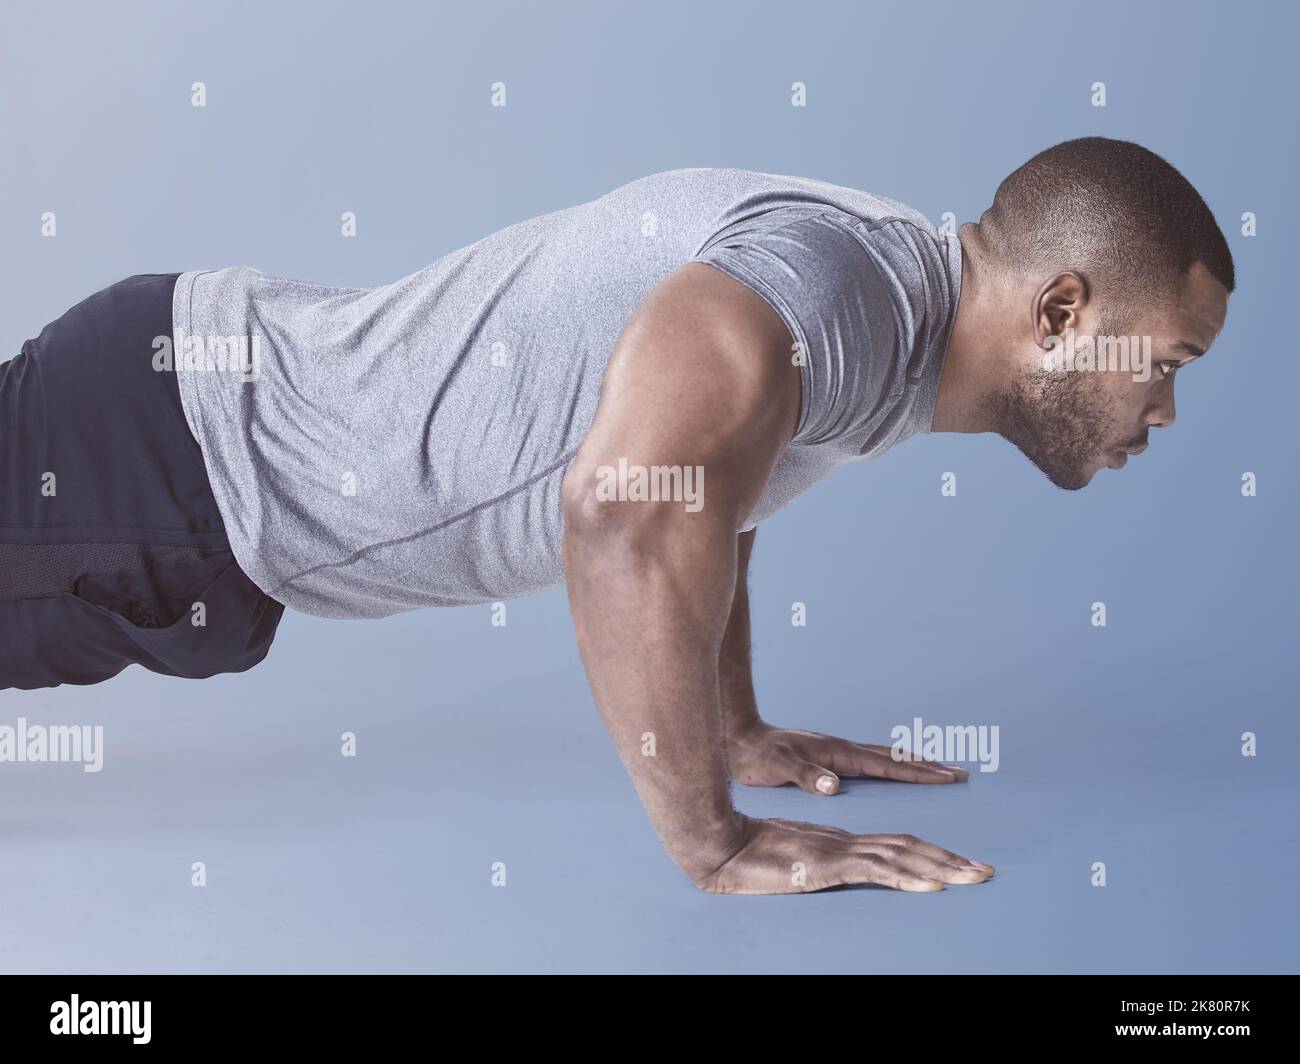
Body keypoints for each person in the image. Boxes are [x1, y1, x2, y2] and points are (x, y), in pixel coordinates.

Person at [0, 137, 1233, 894]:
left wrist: (733, 722)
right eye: (1165, 359)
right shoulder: (841, 285)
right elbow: (627, 513)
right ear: (1061, 311)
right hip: (159, 461)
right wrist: (714, 836)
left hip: (180, 415)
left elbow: (715, 484)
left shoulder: (888, 306)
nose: (1164, 409)